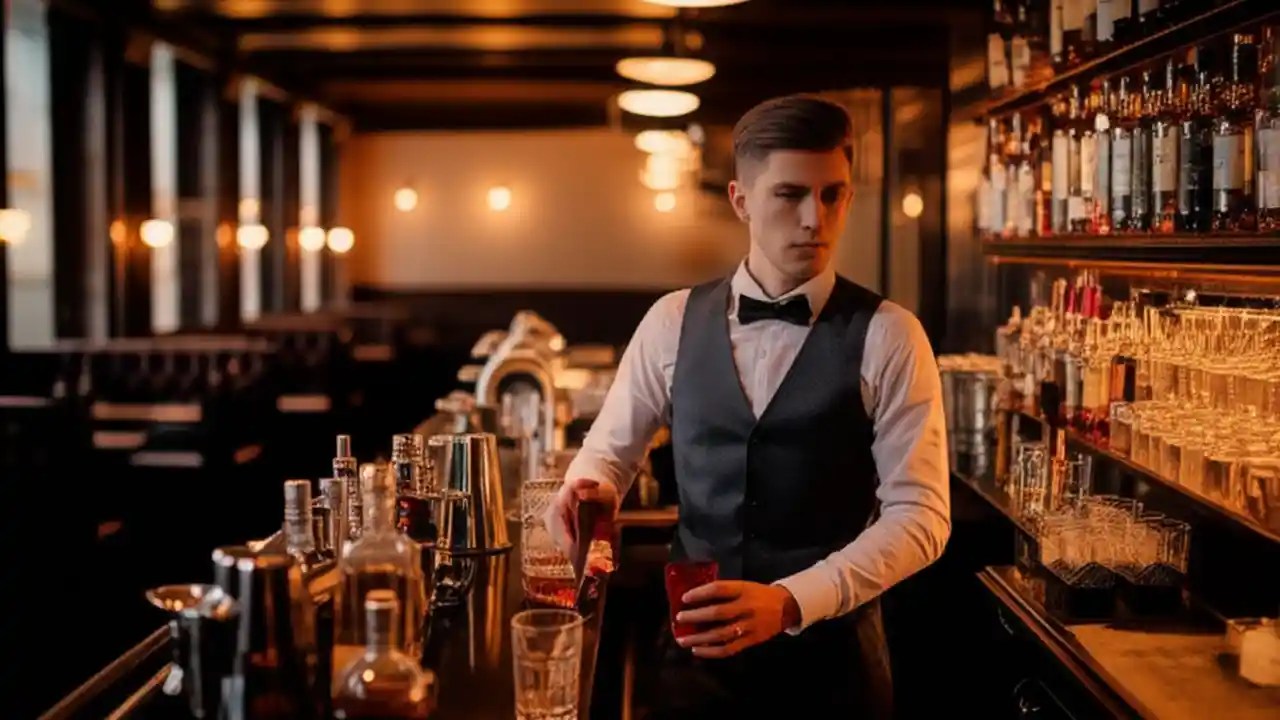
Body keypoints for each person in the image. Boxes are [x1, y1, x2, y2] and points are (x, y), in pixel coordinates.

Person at [545, 94, 950, 717]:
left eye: (833, 194)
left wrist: (791, 599)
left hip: (833, 668)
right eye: (790, 195)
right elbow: (608, 454)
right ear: (741, 200)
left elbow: (922, 517)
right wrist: (584, 489)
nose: (815, 218)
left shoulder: (892, 334)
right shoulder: (671, 321)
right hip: (695, 662)